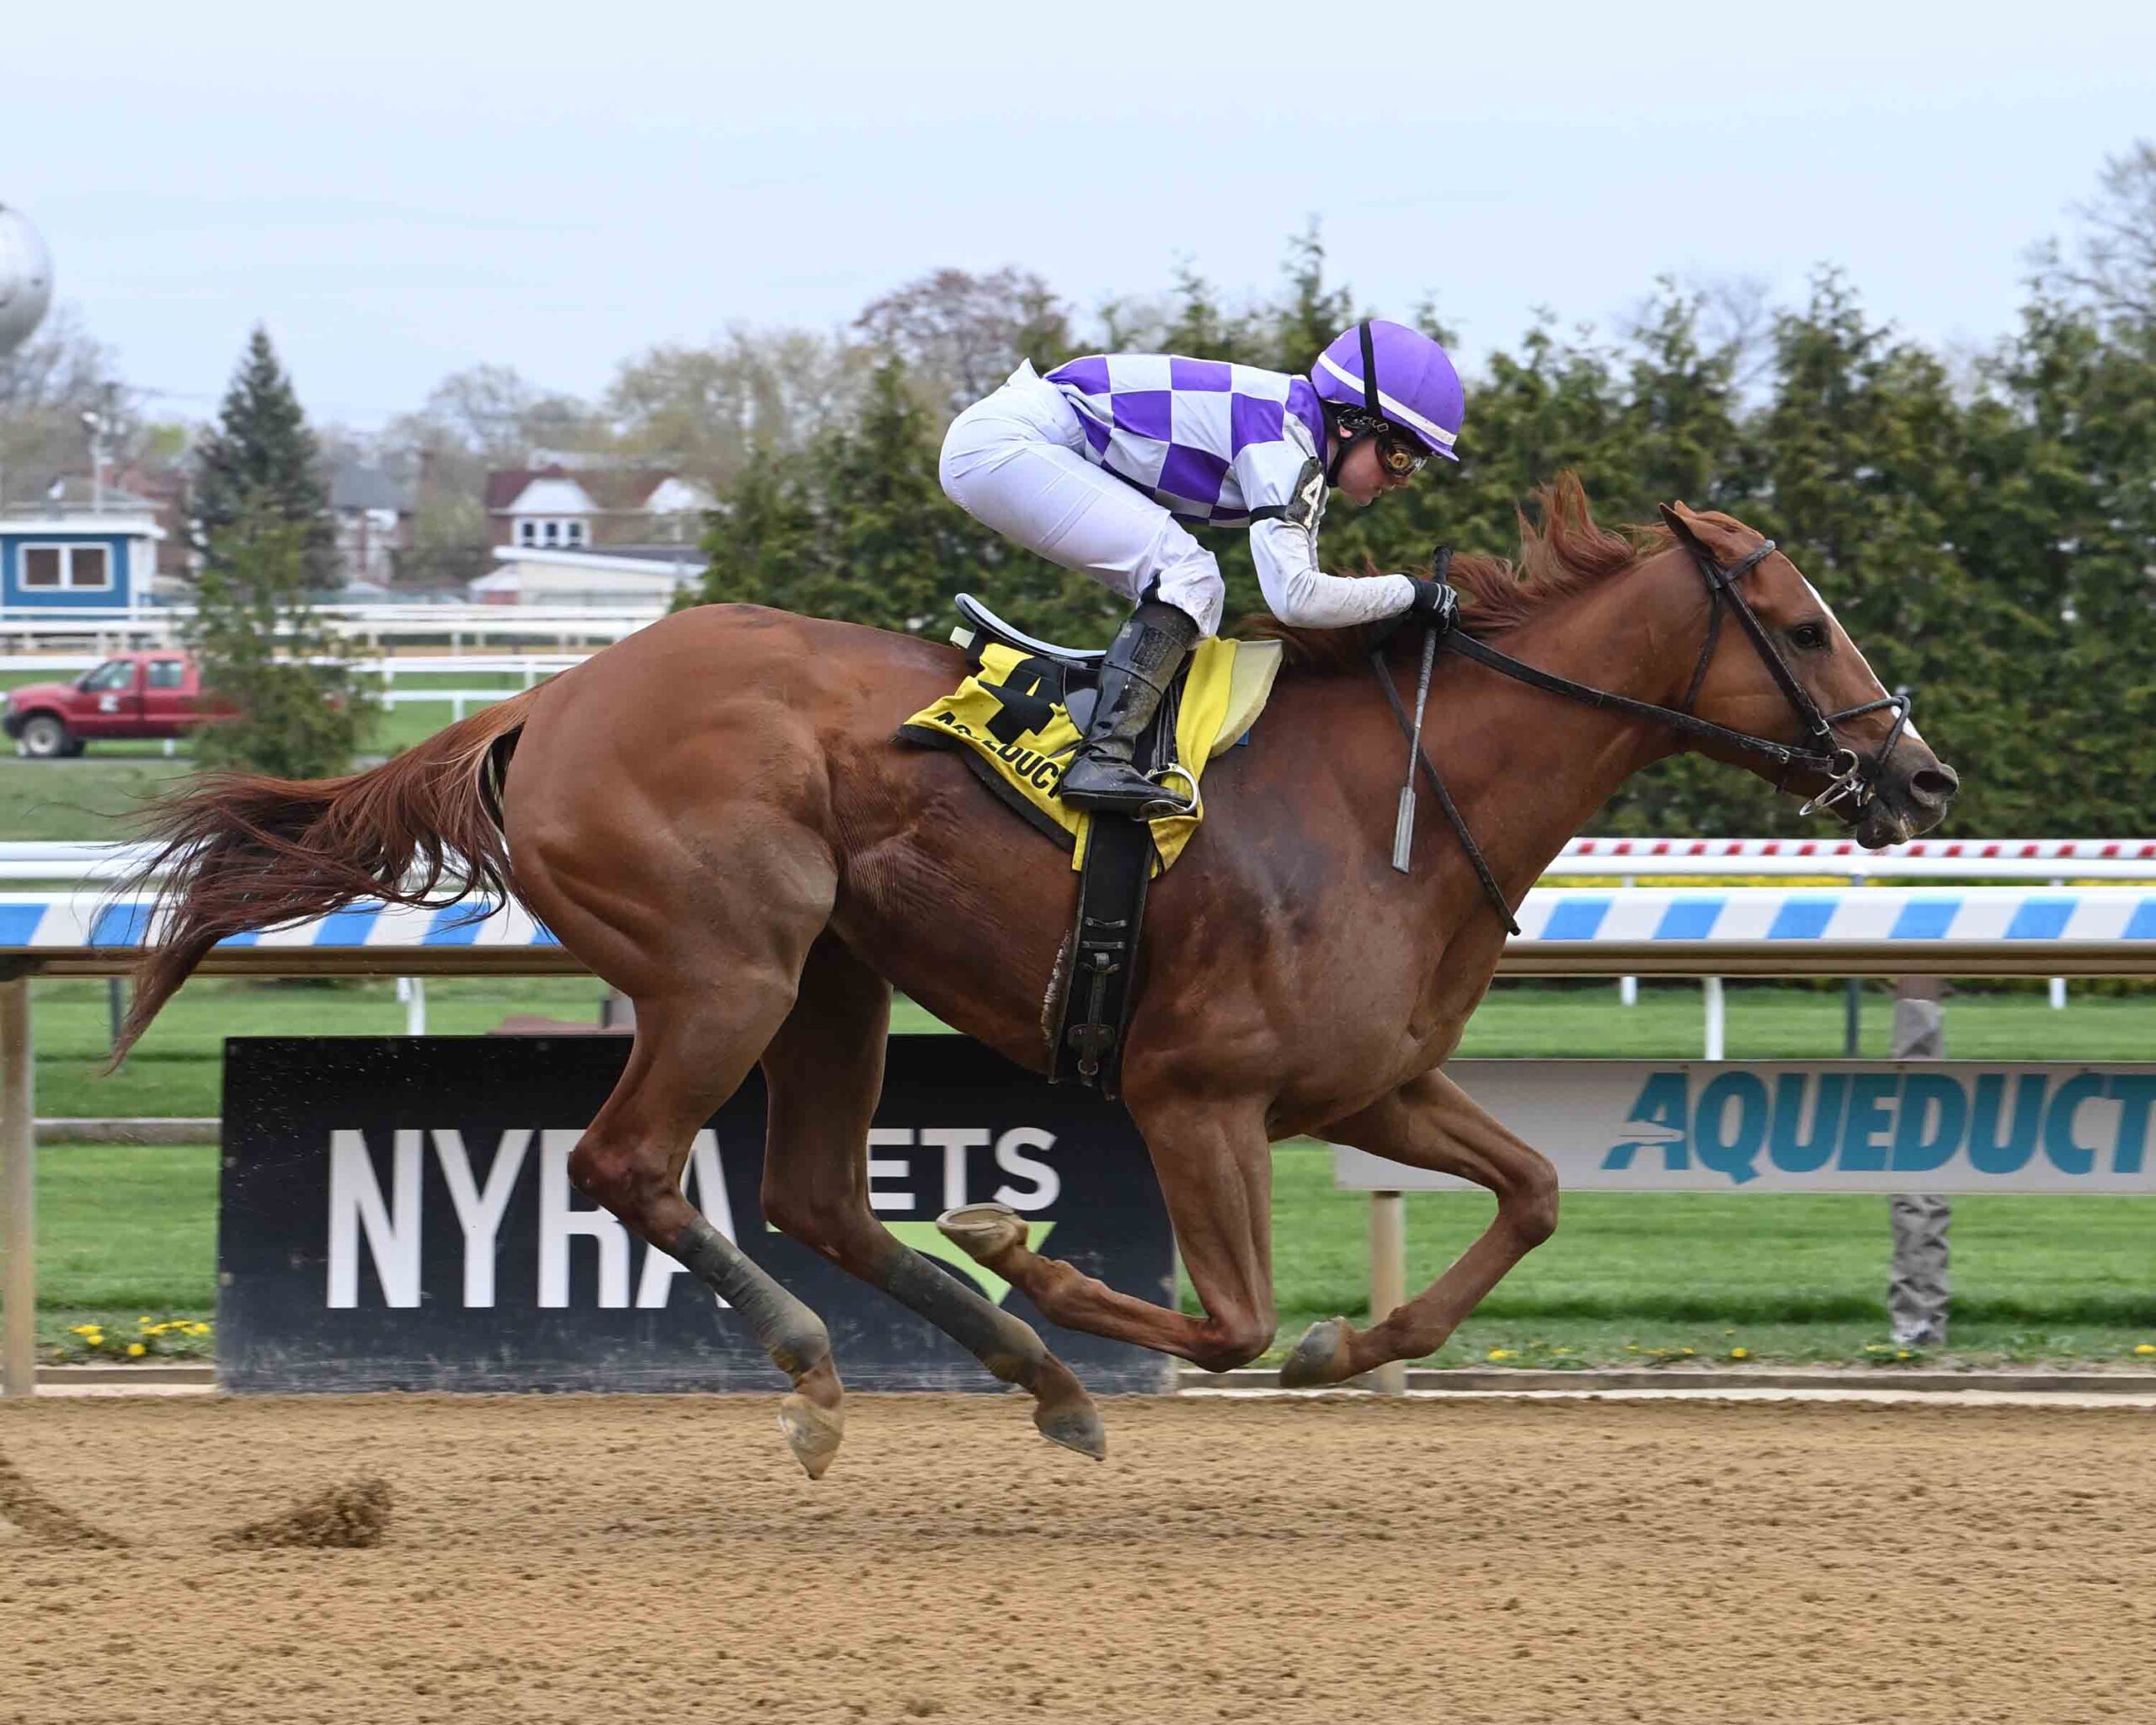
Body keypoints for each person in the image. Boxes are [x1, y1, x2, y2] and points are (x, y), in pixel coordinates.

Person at [939, 319, 1464, 815]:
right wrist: (1409, 593)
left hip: (1021, 438)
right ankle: (1101, 758)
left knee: (1195, 590)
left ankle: (1122, 740)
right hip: (1010, 444)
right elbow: (1296, 599)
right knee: (1188, 576)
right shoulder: (1285, 440)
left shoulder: (1297, 433)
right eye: (1400, 457)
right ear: (1353, 424)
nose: (1403, 480)